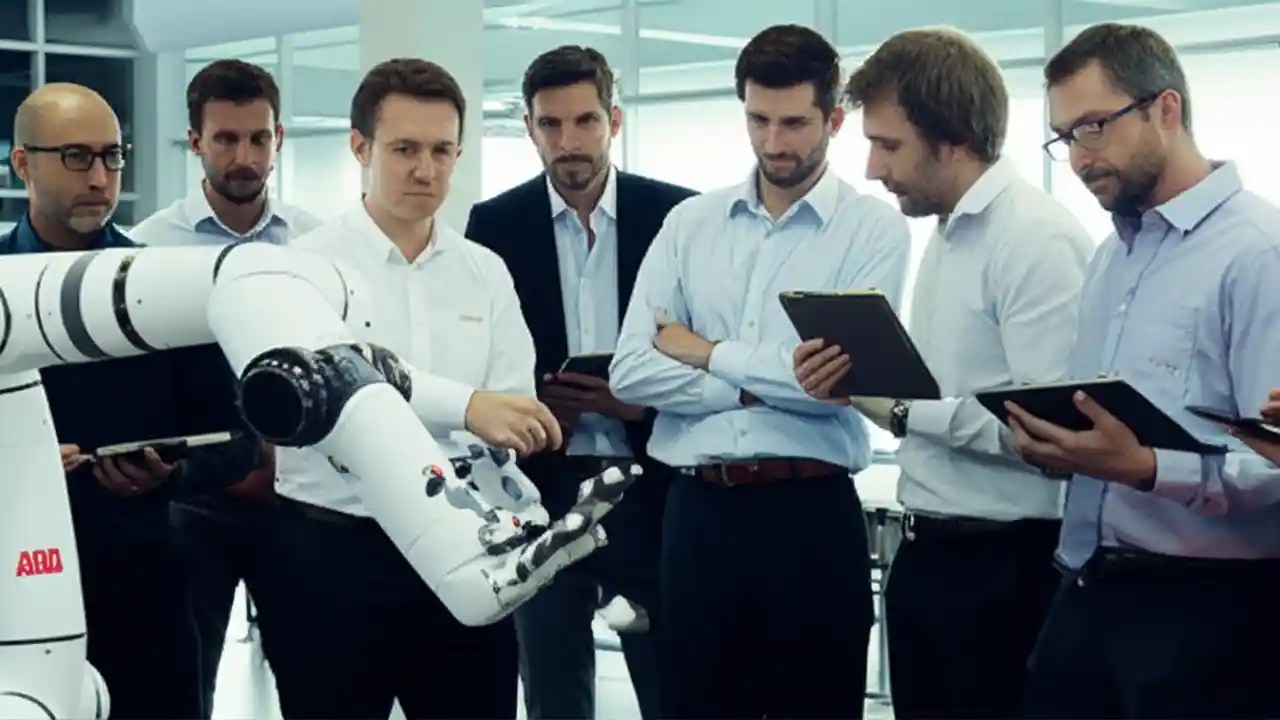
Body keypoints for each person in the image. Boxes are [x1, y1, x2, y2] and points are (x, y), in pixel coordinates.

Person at [609, 24, 911, 720]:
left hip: (809, 517)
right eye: (758, 120)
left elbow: (836, 389)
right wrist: (757, 379)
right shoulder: (690, 223)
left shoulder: (872, 231)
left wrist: (705, 351)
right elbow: (631, 371)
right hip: (696, 515)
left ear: (835, 120)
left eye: (795, 123)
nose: (774, 143)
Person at [792, 27, 1093, 720]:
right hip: (931, 549)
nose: (871, 169)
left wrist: (897, 410)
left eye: (888, 145)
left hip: (1004, 564)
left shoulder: (1034, 239)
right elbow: (943, 393)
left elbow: (1040, 426)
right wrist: (857, 383)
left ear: (954, 139)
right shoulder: (950, 233)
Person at [253, 57, 563, 719]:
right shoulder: (301, 269)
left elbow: (511, 413)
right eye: (404, 150)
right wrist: (467, 411)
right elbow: (334, 401)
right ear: (359, 147)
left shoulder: (486, 272)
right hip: (334, 557)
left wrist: (486, 419)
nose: (426, 170)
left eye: (442, 151)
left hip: (464, 550)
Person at [1008, 22, 1280, 719]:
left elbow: (1275, 466)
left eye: (1094, 127)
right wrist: (1059, 445)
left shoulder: (1258, 254)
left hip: (1209, 612)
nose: (1076, 157)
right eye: (1064, 136)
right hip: (1087, 592)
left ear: (1166, 109)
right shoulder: (1111, 258)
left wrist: (1145, 467)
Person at [0, 82, 262, 718]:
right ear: (22, 163)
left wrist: (172, 472)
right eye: (77, 157)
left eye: (113, 157)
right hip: (11, 594)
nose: (100, 177)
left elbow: (238, 442)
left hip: (142, 589)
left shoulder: (159, 290)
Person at [465, 45, 693, 720]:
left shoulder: (674, 217)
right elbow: (482, 355)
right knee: (553, 686)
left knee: (673, 684)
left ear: (613, 121)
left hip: (653, 487)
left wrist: (636, 404)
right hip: (546, 486)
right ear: (531, 129)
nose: (569, 142)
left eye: (585, 122)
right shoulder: (495, 225)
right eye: (551, 124)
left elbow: (701, 354)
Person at [127, 58, 323, 717]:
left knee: (321, 682)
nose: (245, 156)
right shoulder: (145, 250)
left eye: (259, 138)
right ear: (194, 141)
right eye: (226, 139)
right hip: (198, 499)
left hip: (300, 498)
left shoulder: (317, 246)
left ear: (279, 138)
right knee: (186, 684)